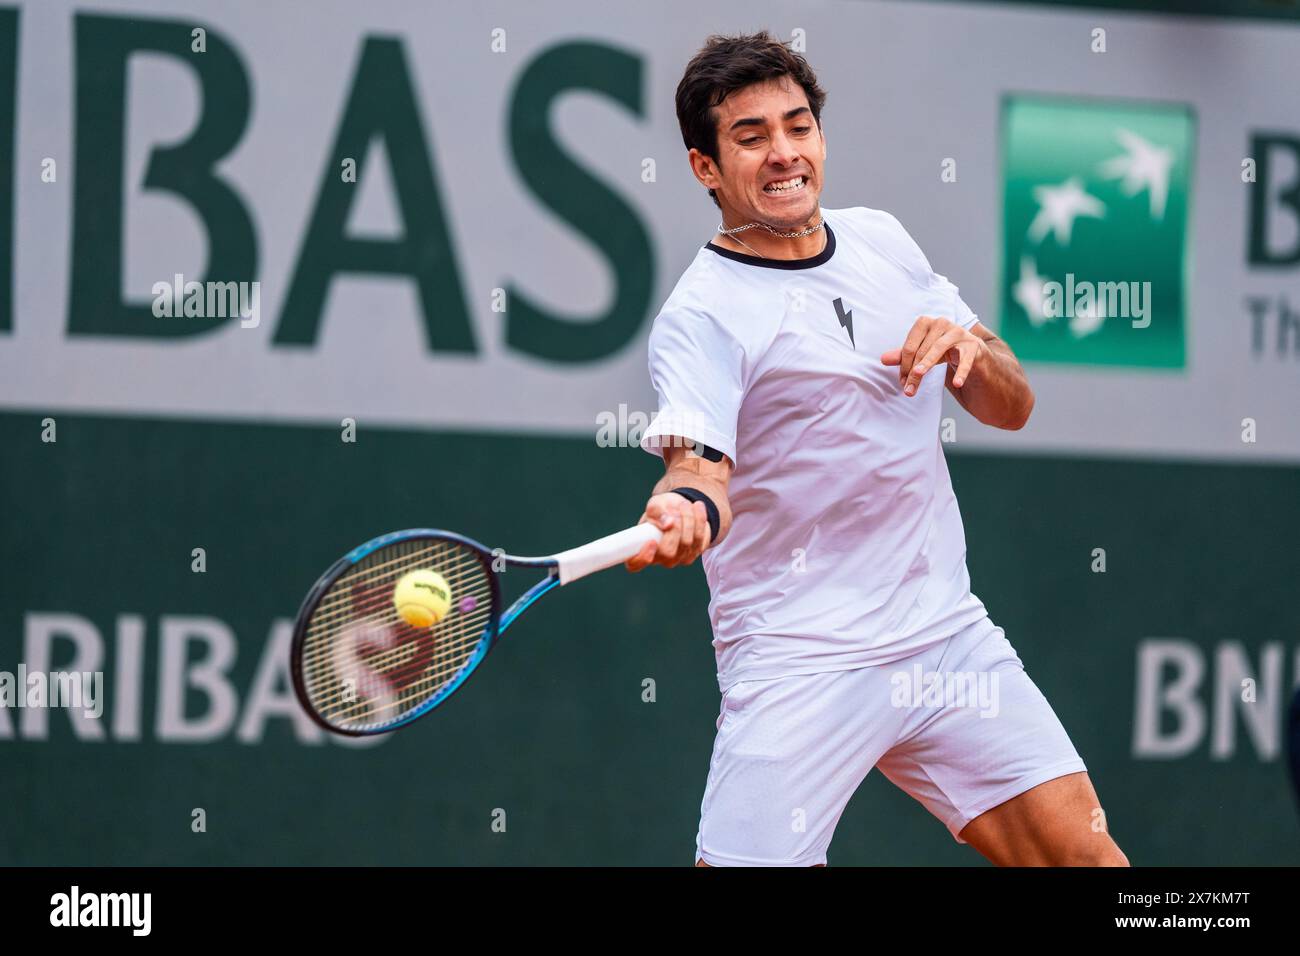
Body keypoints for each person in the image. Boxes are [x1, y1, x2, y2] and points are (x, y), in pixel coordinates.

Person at [627, 30, 1128, 868]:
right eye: (751, 138)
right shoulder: (702, 314)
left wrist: (971, 354)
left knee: (1085, 861)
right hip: (800, 660)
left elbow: (1013, 404)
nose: (784, 153)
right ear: (705, 167)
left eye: (798, 127)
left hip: (943, 638)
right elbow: (698, 470)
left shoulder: (883, 241)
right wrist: (683, 508)